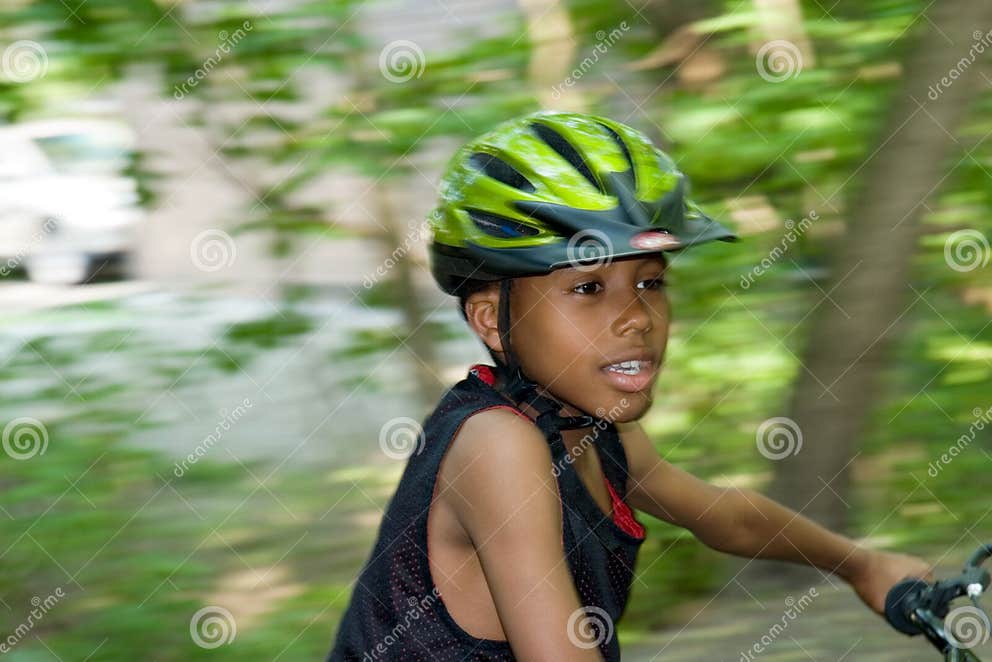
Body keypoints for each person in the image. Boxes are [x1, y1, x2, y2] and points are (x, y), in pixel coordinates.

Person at [325, 110, 933, 661]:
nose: (638, 317)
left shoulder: (584, 427)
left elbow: (727, 517)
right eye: (588, 289)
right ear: (492, 319)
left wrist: (863, 566)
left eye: (650, 283)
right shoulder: (496, 445)